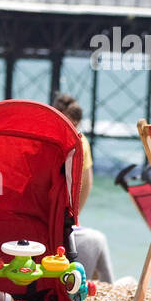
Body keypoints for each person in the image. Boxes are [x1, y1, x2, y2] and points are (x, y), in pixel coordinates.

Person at [51, 94, 114, 282]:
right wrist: (72, 216)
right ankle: (104, 288)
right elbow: (87, 183)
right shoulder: (79, 141)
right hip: (64, 227)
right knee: (98, 241)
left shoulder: (44, 141)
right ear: (76, 122)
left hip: (40, 225)